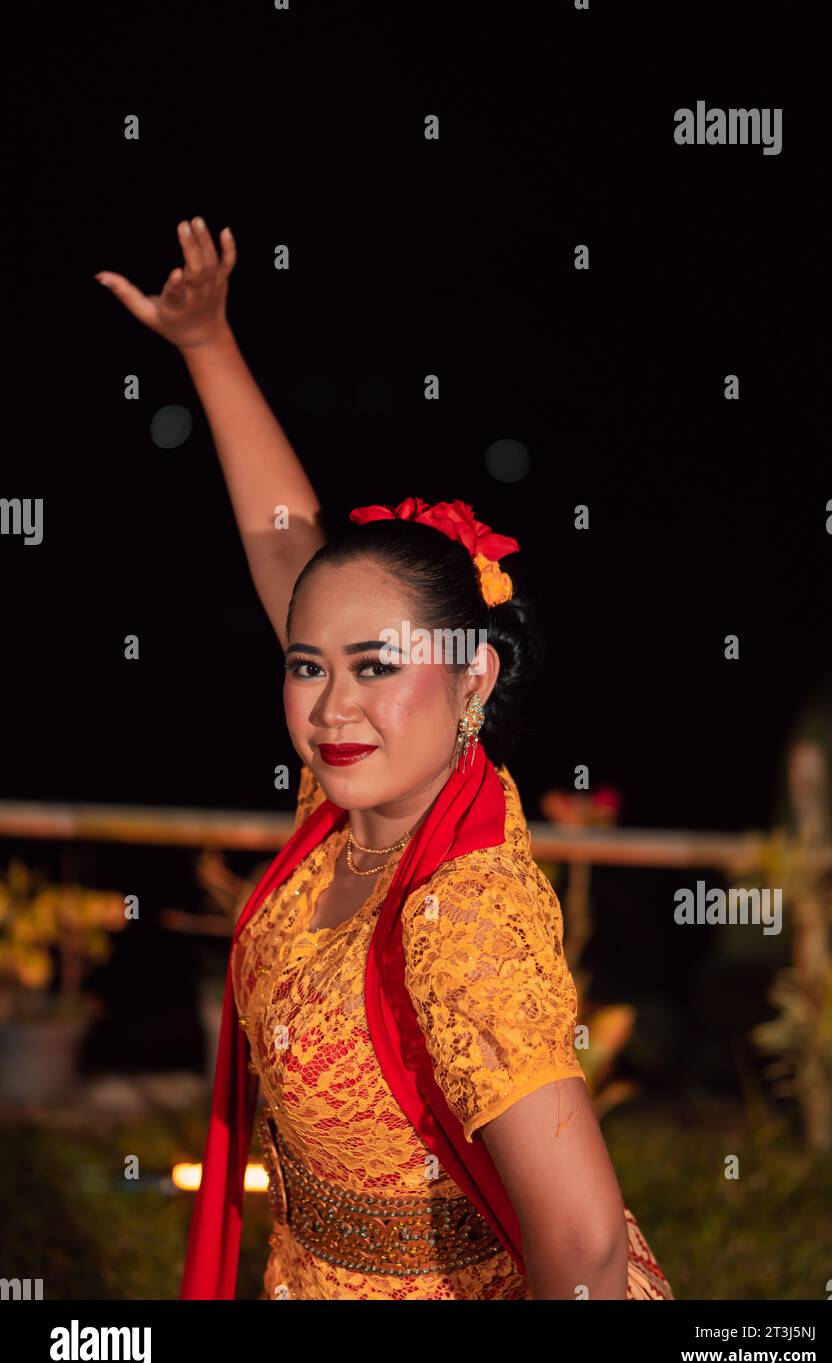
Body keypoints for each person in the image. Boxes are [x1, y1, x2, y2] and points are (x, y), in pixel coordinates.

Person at [95, 217, 674, 1301]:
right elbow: (284, 544)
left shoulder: (462, 911)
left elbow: (585, 1247)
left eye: (374, 666)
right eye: (306, 665)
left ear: (472, 680)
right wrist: (208, 343)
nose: (332, 704)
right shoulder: (359, 797)